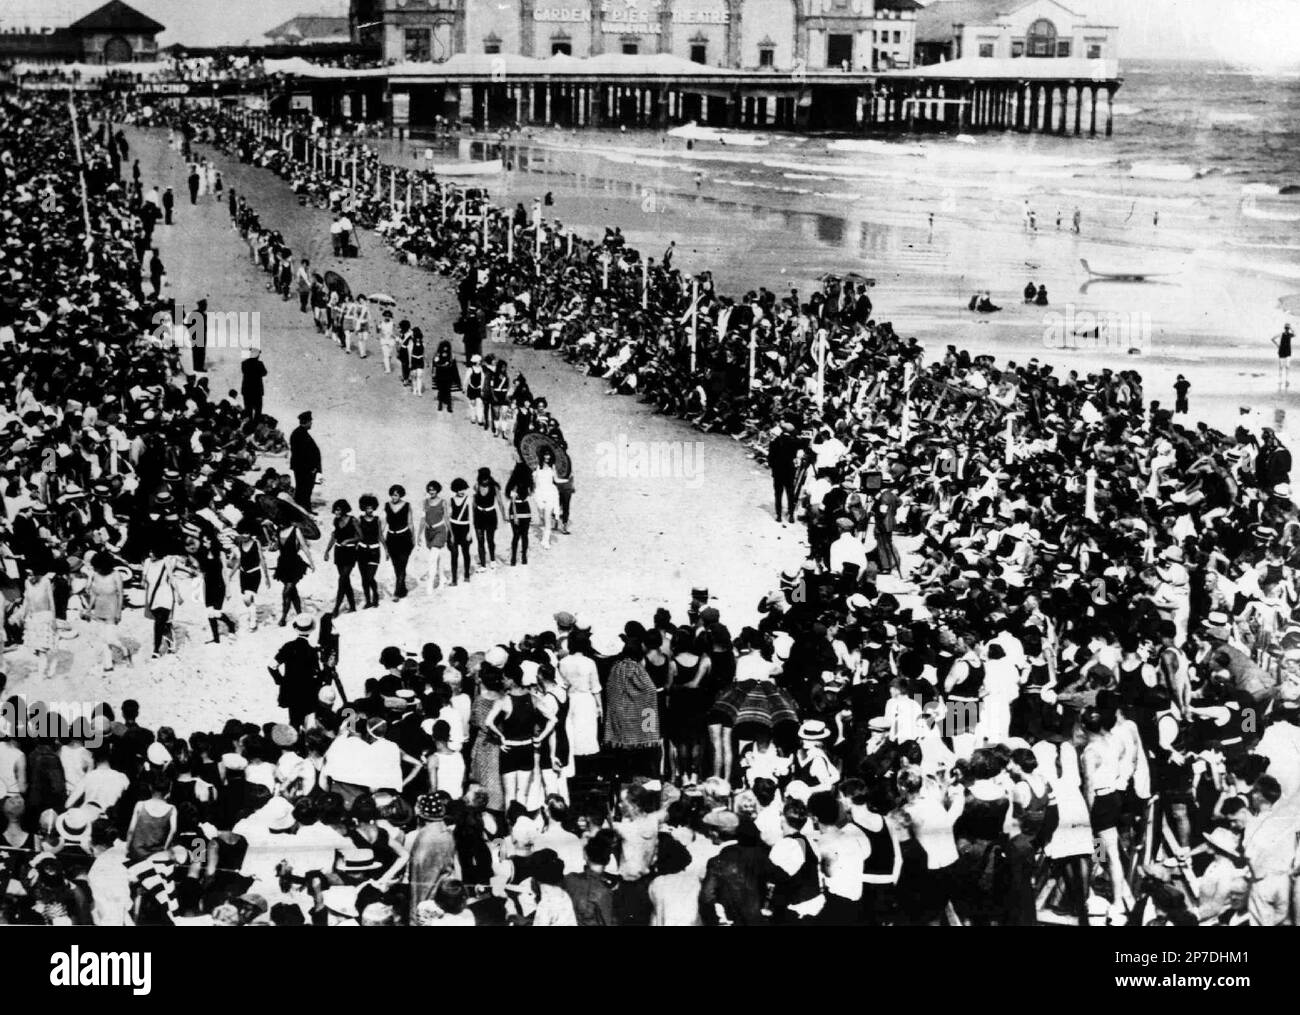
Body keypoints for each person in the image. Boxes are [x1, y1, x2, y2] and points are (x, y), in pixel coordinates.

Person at [269, 614, 322, 728]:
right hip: (308, 691)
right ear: (311, 630)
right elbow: (317, 673)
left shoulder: (288, 647)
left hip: (291, 691)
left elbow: (272, 666)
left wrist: (281, 681)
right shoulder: (312, 651)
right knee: (307, 722)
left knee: (294, 721)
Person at [323, 499, 361, 615]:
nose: (336, 512)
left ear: (344, 510)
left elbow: (361, 536)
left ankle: (336, 608)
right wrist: (327, 550)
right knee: (345, 580)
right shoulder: (336, 520)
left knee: (342, 579)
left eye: (338, 510)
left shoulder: (353, 520)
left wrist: (349, 540)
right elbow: (334, 537)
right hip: (339, 552)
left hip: (350, 552)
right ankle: (353, 606)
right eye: (335, 510)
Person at [289, 411, 322, 512]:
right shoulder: (300, 434)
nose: (311, 424)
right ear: (306, 422)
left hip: (304, 468)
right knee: (304, 489)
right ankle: (304, 509)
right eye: (310, 422)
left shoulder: (300, 433)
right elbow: (302, 455)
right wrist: (311, 469)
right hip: (304, 469)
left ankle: (305, 508)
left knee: (305, 489)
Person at [447, 479, 474, 585]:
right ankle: (454, 580)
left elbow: (471, 517)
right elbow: (449, 516)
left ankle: (467, 575)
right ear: (455, 490)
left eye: (463, 489)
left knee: (466, 552)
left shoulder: (468, 499)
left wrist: (470, 532)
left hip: (465, 528)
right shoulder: (451, 500)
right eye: (459, 489)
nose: (462, 491)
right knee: (454, 554)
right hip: (454, 528)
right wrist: (450, 533)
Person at [240, 348, 267, 421]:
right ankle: (255, 425)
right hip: (257, 391)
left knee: (248, 410)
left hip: (247, 391)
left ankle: (249, 425)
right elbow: (264, 373)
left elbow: (244, 371)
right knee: (258, 410)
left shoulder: (244, 363)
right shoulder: (259, 364)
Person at [1273, 323, 1293, 387]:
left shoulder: (1290, 335)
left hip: (1288, 352)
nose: (1287, 329)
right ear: (1285, 328)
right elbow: (1273, 339)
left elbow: (1295, 334)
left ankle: (1287, 380)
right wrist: (1277, 345)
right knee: (1281, 367)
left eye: (1288, 328)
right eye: (1286, 328)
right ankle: (1280, 380)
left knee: (1287, 366)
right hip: (1281, 352)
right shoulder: (1281, 334)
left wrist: (1291, 328)